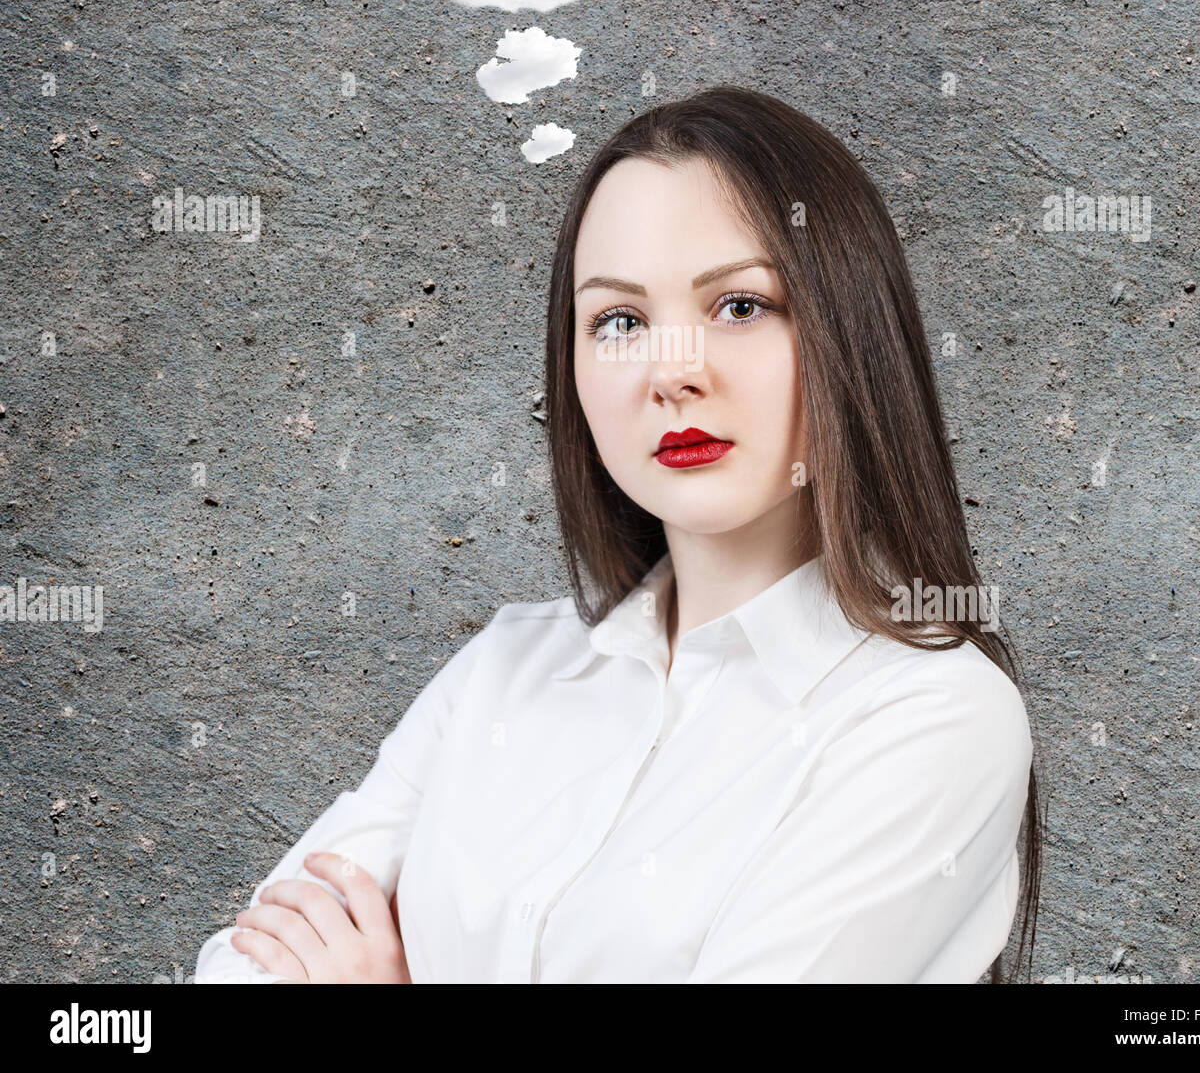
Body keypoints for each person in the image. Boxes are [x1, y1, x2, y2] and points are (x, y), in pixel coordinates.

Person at [194, 85, 1041, 984]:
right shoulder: (504, 670)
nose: (673, 374)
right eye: (621, 321)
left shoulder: (932, 719)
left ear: (848, 328)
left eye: (740, 306)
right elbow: (244, 965)